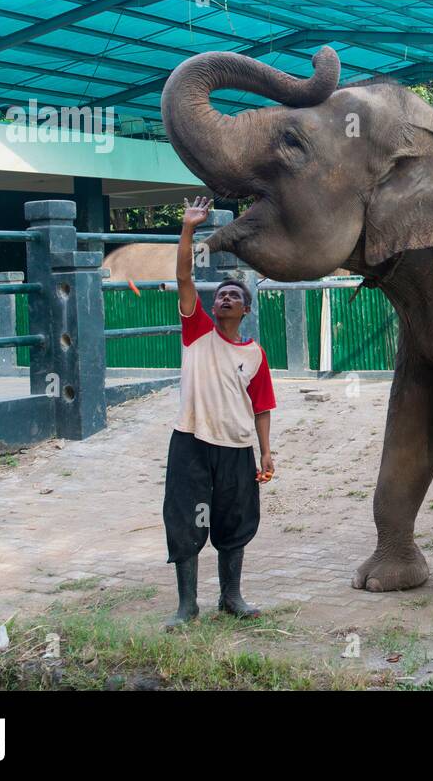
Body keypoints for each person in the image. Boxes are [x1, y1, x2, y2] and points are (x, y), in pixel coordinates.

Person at [162, 196, 276, 630]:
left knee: (235, 522)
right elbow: (183, 275)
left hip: (236, 448)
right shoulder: (196, 333)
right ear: (211, 308)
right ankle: (186, 605)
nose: (226, 298)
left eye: (234, 296)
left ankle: (231, 597)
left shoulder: (256, 355)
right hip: (190, 442)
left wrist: (266, 453)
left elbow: (262, 406)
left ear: (245, 310)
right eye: (221, 294)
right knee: (185, 521)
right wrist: (189, 228)